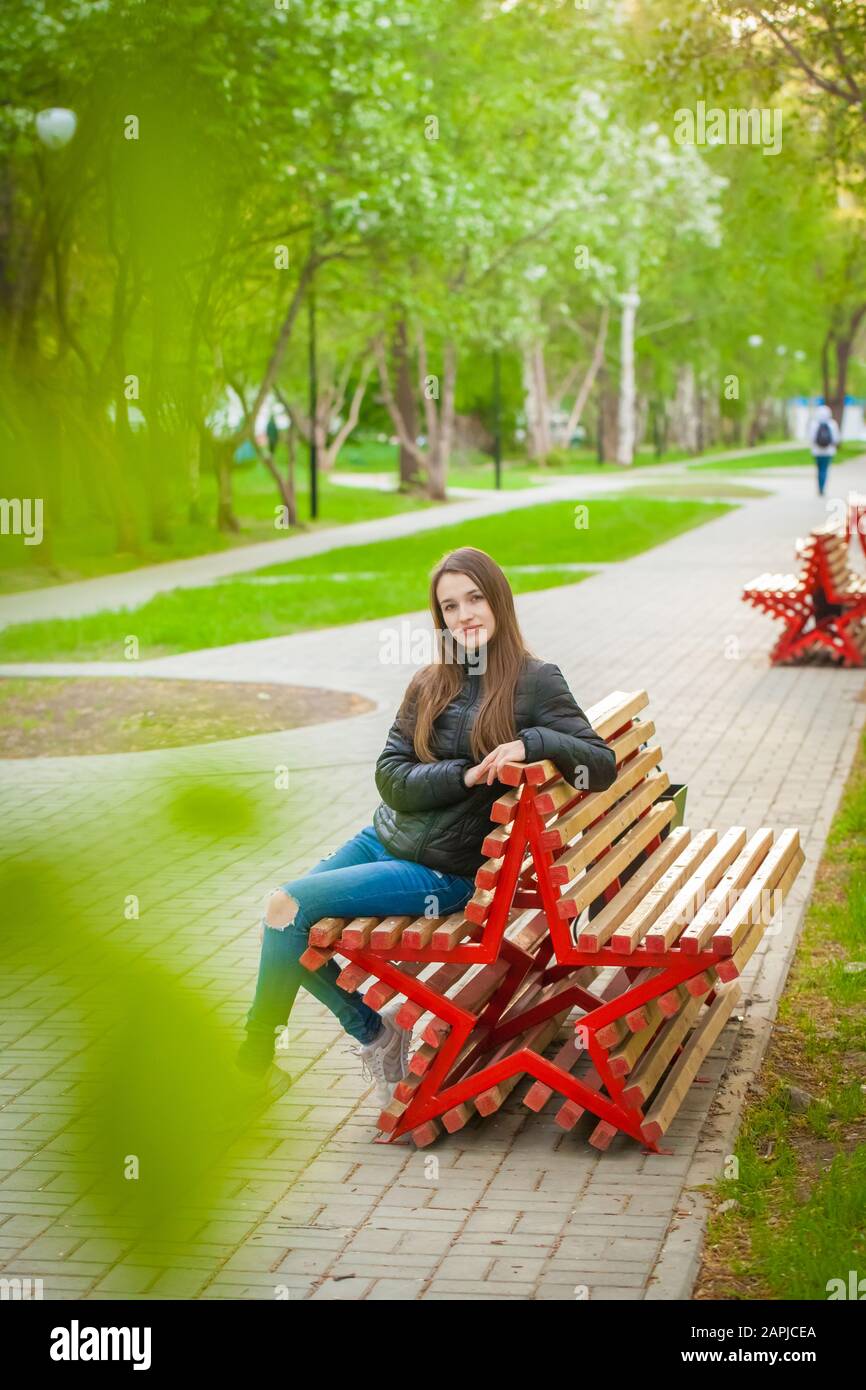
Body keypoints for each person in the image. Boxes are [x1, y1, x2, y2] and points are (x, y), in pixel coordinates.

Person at [236, 546, 618, 1104]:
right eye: (449, 607)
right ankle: (373, 1032)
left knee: (286, 908)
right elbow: (390, 776)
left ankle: (255, 1067)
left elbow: (599, 765)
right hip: (384, 838)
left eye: (474, 599)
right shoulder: (429, 683)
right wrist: (464, 777)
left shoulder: (535, 682)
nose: (463, 615)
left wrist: (530, 742)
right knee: (283, 916)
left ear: (499, 601)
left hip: (443, 872)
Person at [808, 404, 840, 497]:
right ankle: (823, 488)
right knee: (825, 470)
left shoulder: (814, 423)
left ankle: (820, 488)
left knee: (819, 469)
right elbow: (836, 438)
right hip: (828, 451)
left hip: (817, 451)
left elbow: (811, 438)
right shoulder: (832, 424)